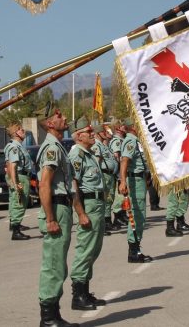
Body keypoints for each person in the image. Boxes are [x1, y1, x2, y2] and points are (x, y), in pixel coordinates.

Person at [37, 107, 85, 327]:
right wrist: (50, 219)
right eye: (59, 116)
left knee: (59, 265)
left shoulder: (58, 147)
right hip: (55, 209)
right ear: (49, 123)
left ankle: (54, 314)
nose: (64, 118)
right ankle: (48, 318)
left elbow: (68, 184)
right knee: (54, 264)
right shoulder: (51, 148)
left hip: (62, 207)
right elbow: (45, 183)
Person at [67, 118, 107, 310]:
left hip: (97, 203)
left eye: (92, 131)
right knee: (85, 249)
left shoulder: (88, 154)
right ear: (78, 136)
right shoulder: (77, 155)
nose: (92, 134)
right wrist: (81, 213)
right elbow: (74, 187)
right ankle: (78, 295)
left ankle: (85, 291)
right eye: (88, 132)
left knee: (93, 249)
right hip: (88, 204)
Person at [119, 119, 154, 263]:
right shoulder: (131, 141)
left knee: (140, 216)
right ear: (133, 127)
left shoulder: (136, 141)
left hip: (139, 180)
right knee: (137, 216)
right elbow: (124, 161)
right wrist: (122, 181)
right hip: (134, 181)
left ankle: (135, 248)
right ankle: (134, 251)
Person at [5, 122, 33, 240]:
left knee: (16, 201)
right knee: (19, 201)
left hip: (19, 176)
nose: (23, 131)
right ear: (15, 133)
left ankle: (15, 224)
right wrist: (15, 183)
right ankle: (16, 230)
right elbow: (12, 165)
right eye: (21, 130)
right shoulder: (14, 147)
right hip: (20, 176)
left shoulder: (16, 145)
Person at [92, 124, 119, 233]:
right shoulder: (97, 146)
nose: (105, 133)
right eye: (103, 132)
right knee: (106, 199)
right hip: (104, 175)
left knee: (109, 198)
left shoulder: (103, 145)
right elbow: (97, 162)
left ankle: (107, 221)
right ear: (98, 134)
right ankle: (105, 222)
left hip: (109, 175)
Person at [108, 121, 128, 227]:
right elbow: (117, 156)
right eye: (123, 125)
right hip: (119, 172)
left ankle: (123, 215)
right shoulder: (116, 141)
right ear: (117, 128)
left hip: (122, 172)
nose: (125, 127)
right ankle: (117, 216)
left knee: (124, 196)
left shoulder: (122, 140)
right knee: (119, 196)